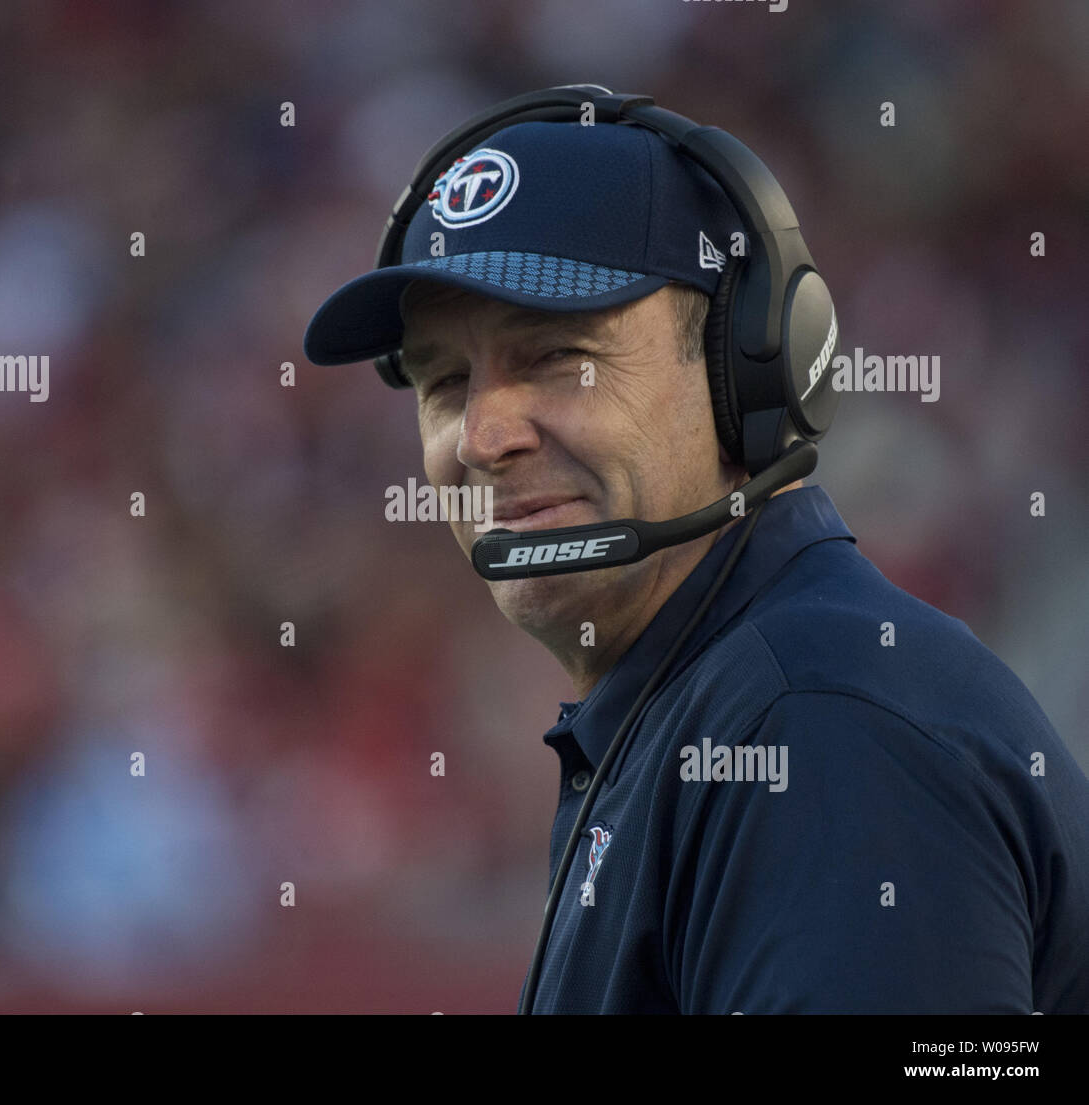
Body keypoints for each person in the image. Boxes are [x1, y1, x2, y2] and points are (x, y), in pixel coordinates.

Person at [302, 101, 1089, 1013]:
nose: (482, 434)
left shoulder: (818, 729)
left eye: (560, 356)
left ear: (750, 371)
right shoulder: (706, 707)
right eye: (445, 381)